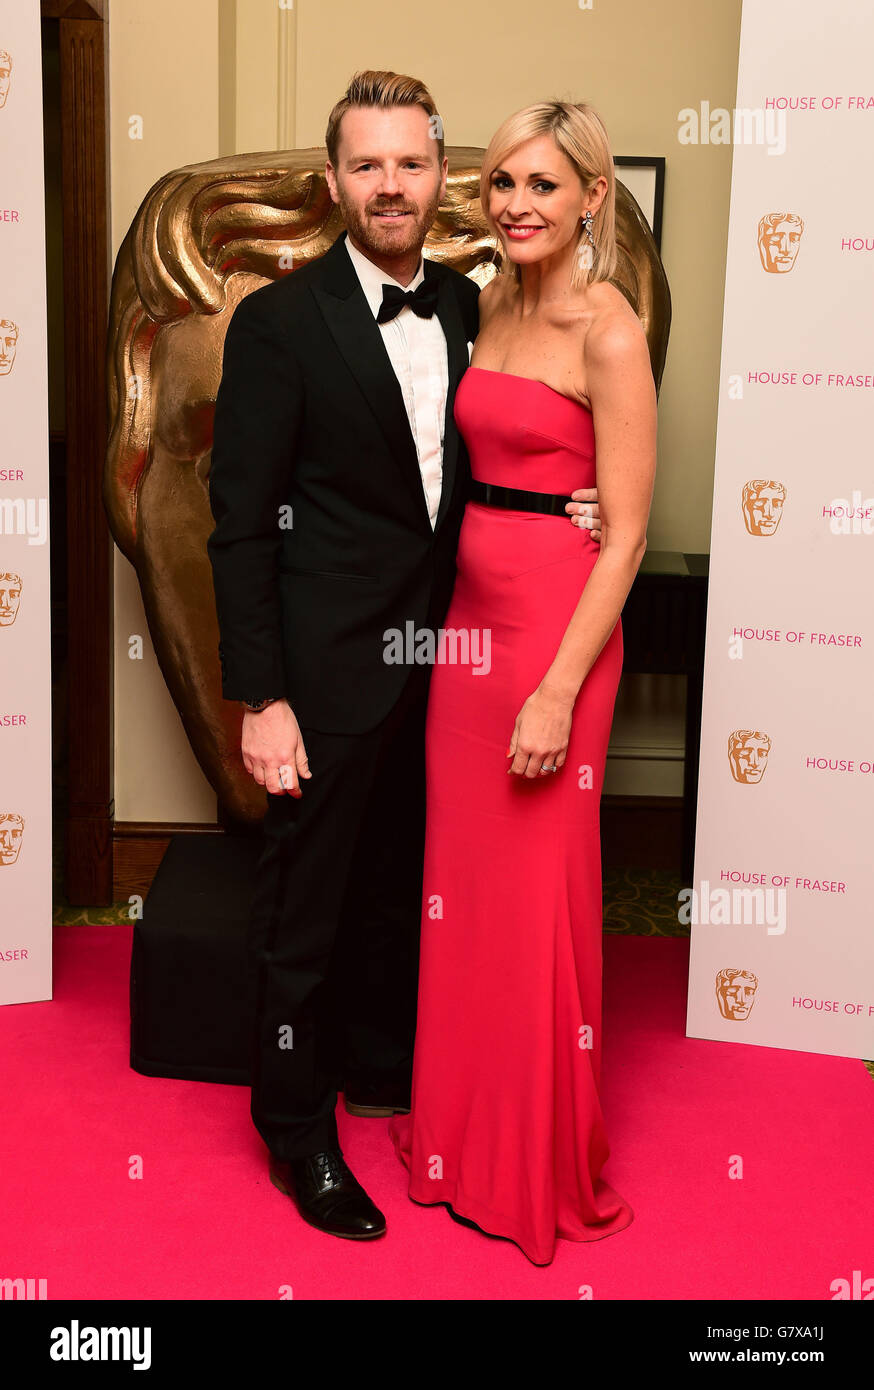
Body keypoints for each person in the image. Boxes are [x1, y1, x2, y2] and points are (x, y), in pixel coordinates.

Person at [206, 71, 601, 1242]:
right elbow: (238, 524)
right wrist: (263, 694)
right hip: (324, 672)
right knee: (308, 903)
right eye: (367, 165)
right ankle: (296, 1131)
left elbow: (518, 449)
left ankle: (386, 1073)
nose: (391, 185)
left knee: (404, 892)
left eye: (411, 163)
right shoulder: (279, 325)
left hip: (454, 661)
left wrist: (582, 504)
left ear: (442, 176)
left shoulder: (482, 308)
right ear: (333, 181)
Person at [390, 99, 657, 1265]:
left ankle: (532, 1160)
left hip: (557, 628)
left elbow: (632, 533)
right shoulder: (484, 300)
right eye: (502, 182)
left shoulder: (611, 329)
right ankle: (452, 1139)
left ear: (591, 198)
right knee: (461, 886)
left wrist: (557, 687)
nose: (517, 204)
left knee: (539, 895)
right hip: (468, 624)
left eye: (544, 185)